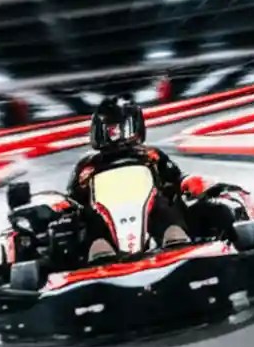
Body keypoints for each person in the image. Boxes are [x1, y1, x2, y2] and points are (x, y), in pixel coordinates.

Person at [68, 96, 193, 261]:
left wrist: (190, 183)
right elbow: (73, 201)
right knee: (89, 220)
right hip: (105, 219)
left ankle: (175, 242)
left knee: (164, 205)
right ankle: (101, 254)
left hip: (150, 214)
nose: (114, 134)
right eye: (110, 128)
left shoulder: (152, 156)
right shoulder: (87, 166)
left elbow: (178, 181)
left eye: (117, 128)